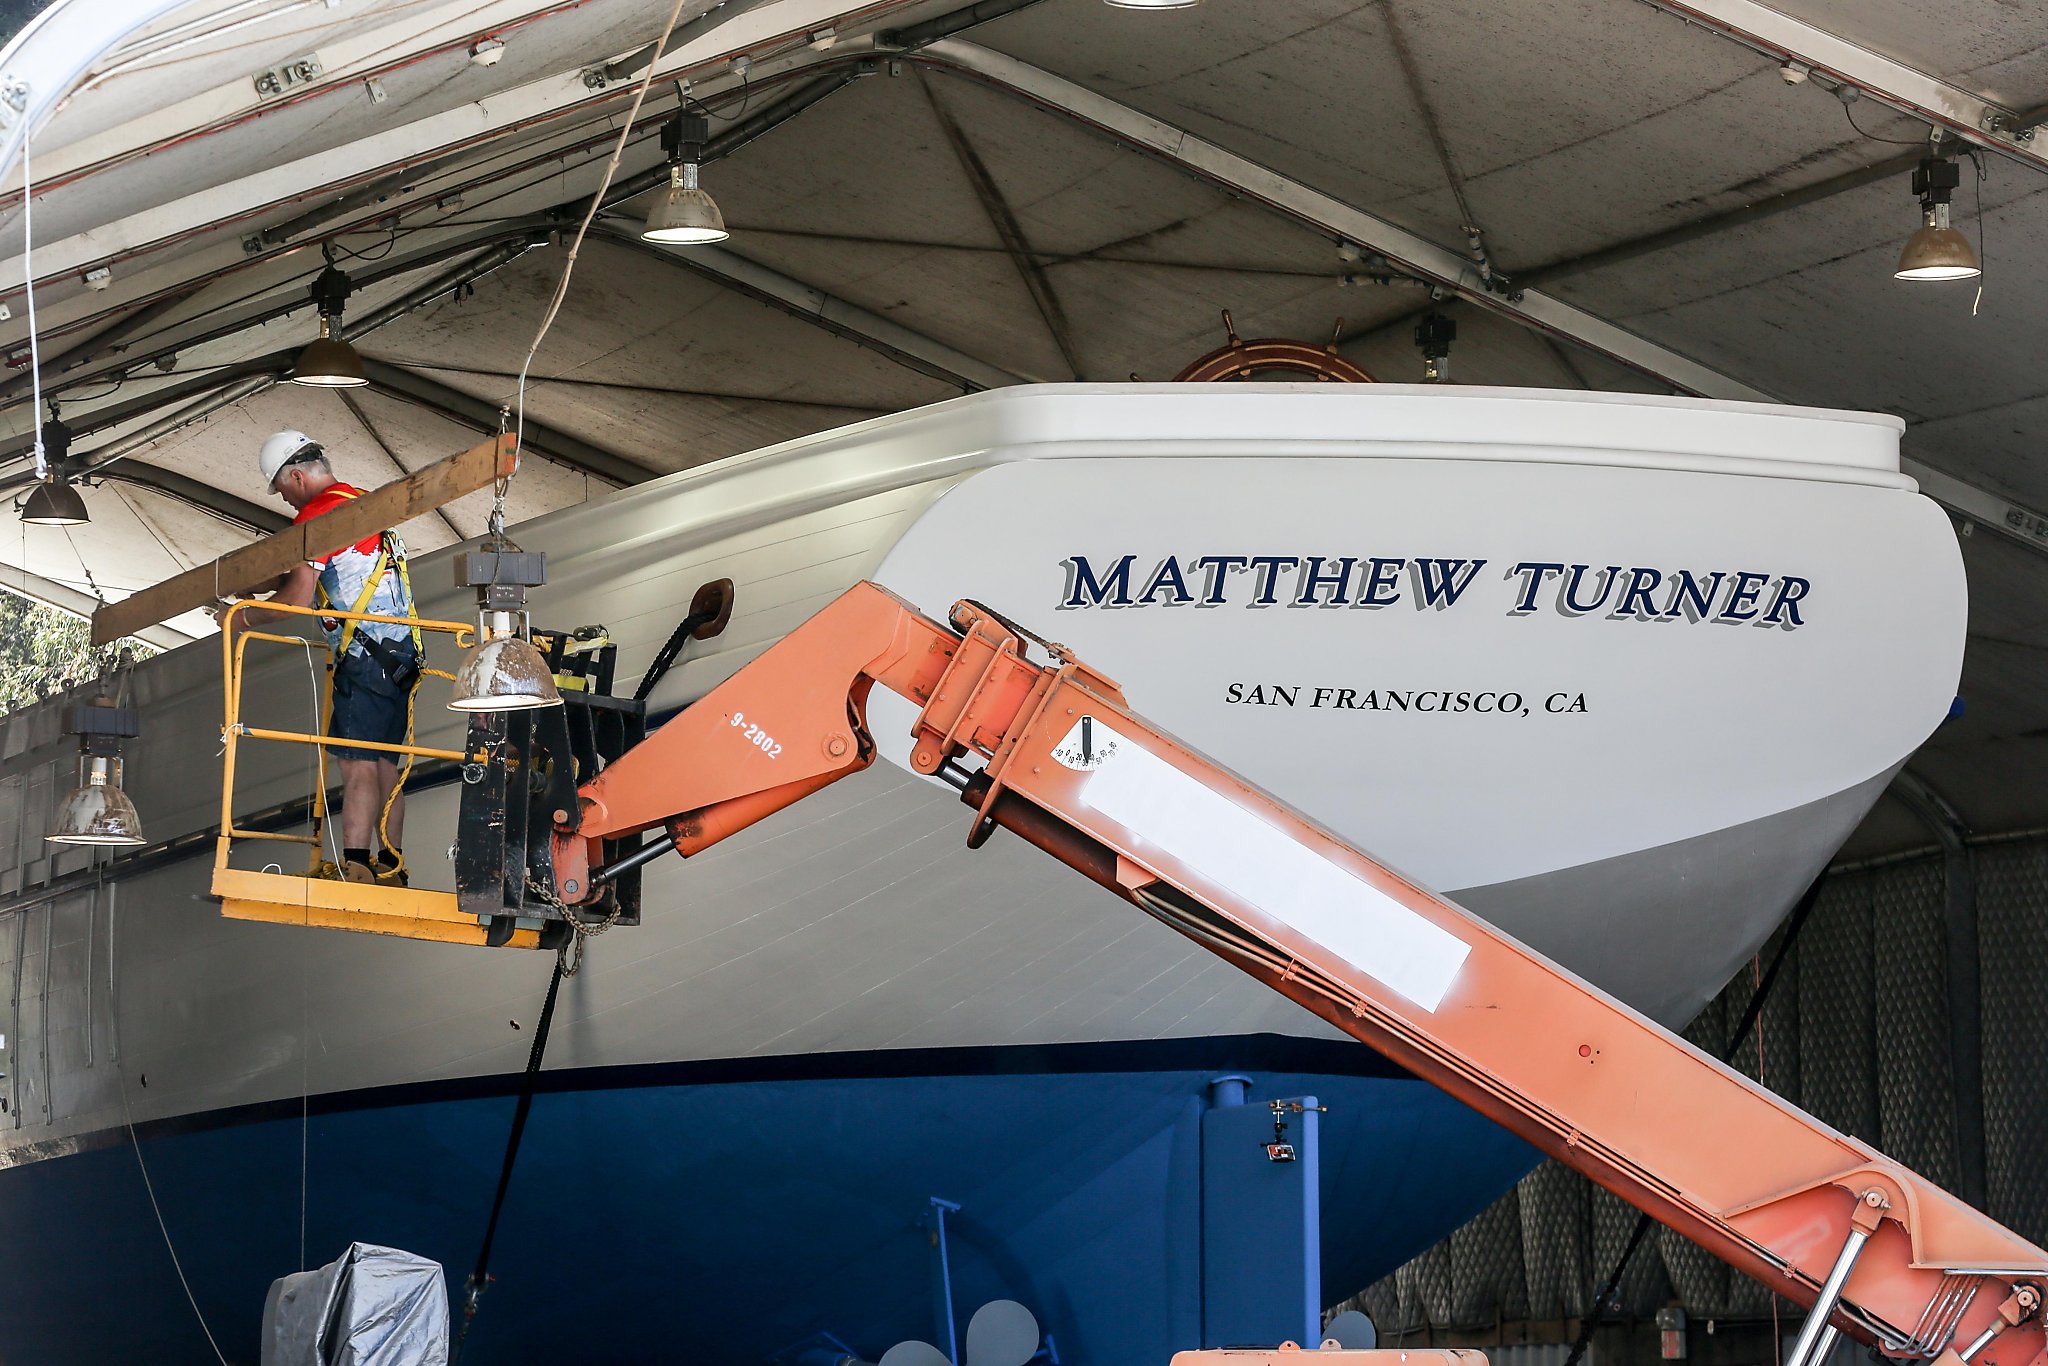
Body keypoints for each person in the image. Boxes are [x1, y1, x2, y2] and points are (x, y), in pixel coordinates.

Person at [230, 431, 422, 885]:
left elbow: (295, 601)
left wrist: (238, 617)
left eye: (282, 489)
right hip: (400, 652)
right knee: (386, 764)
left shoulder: (317, 518)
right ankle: (391, 865)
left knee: (357, 763)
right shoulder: (360, 503)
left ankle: (356, 865)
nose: (286, 500)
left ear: (297, 477)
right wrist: (259, 585)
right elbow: (323, 573)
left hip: (365, 656)